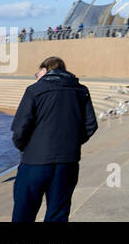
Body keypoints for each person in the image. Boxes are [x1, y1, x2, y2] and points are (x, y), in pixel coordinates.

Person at [10, 56, 98, 222]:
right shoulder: (81, 90)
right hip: (67, 162)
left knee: (24, 212)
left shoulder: (34, 90)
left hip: (34, 162)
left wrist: (25, 147)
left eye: (37, 72)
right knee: (58, 213)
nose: (36, 76)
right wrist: (71, 143)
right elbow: (90, 125)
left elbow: (20, 128)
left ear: (45, 70)